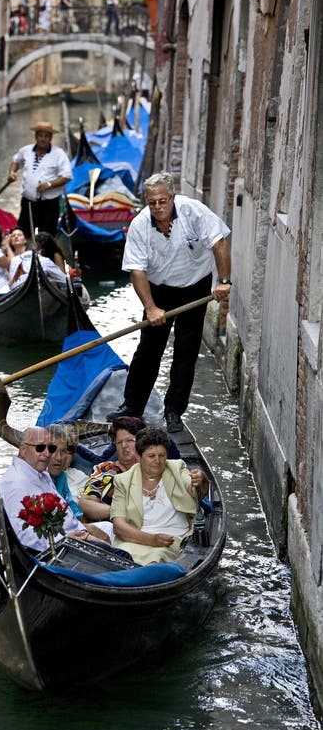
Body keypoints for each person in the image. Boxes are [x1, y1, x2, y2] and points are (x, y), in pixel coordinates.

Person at [107, 171, 232, 433]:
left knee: (186, 351)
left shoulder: (193, 211)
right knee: (148, 349)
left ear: (172, 197)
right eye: (152, 202)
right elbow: (136, 271)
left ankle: (174, 411)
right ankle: (132, 406)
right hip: (159, 288)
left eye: (162, 201)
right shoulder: (140, 225)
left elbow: (219, 242)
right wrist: (151, 308)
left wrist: (224, 281)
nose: (158, 207)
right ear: (147, 201)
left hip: (195, 286)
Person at [0, 378, 112, 541]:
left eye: (65, 452)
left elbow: (72, 516)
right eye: (45, 449)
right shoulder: (25, 479)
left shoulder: (58, 477)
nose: (56, 457)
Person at [110, 426, 209, 565]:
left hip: (172, 540)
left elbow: (195, 490)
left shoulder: (176, 467)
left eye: (162, 455)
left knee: (156, 559)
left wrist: (201, 480)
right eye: (151, 456)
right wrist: (151, 539)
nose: (158, 461)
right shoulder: (123, 481)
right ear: (139, 456)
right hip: (136, 539)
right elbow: (119, 526)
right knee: (117, 559)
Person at [0, 425, 99, 551]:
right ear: (23, 450)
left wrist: (81, 532)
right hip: (58, 550)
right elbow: (23, 537)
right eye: (40, 448)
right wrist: (65, 539)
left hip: (72, 539)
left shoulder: (42, 474)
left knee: (119, 553)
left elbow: (66, 512)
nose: (47, 454)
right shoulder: (14, 485)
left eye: (50, 448)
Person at [8, 122, 72, 239]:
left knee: (46, 238)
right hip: (28, 203)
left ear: (51, 138)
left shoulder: (59, 154)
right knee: (23, 236)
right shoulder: (26, 151)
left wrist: (49, 184)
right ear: (36, 136)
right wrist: (12, 172)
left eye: (46, 136)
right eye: (40, 136)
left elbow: (67, 176)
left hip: (49, 205)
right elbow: (16, 161)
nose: (43, 139)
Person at [78, 416, 146, 522]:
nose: (124, 446)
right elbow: (86, 503)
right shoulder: (105, 470)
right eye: (119, 442)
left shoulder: (152, 468)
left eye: (129, 440)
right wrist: (119, 512)